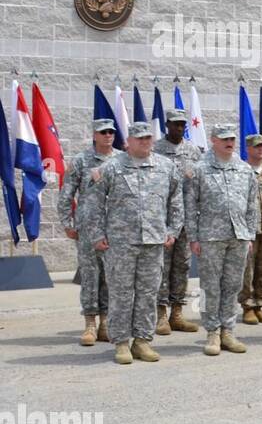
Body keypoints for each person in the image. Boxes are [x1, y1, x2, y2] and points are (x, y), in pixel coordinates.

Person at [88, 121, 183, 365]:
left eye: (148, 137)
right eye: (139, 138)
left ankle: (142, 341)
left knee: (148, 293)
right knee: (120, 293)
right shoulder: (111, 167)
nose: (144, 142)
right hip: (120, 243)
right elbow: (94, 203)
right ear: (128, 142)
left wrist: (173, 230)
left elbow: (176, 201)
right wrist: (98, 235)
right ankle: (121, 342)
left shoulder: (166, 166)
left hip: (153, 241)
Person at [184, 122, 260, 356]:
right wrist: (193, 237)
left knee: (232, 285)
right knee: (209, 287)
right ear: (213, 141)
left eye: (232, 139)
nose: (229, 143)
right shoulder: (199, 169)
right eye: (224, 138)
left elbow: (251, 204)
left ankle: (228, 330)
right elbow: (190, 205)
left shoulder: (244, 169)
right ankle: (212, 332)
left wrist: (249, 234)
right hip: (210, 236)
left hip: (238, 236)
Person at [59, 118, 119, 346]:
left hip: (115, 228)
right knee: (90, 276)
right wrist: (67, 223)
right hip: (87, 228)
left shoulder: (120, 160)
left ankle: (105, 323)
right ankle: (90, 324)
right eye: (103, 132)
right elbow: (67, 194)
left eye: (111, 132)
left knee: (110, 277)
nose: (108, 136)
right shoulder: (81, 160)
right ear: (94, 135)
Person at [153, 108, 201, 335]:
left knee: (182, 265)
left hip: (187, 216)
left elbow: (199, 181)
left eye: (182, 124)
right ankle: (161, 314)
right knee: (163, 266)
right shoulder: (155, 149)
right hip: (163, 216)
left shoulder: (193, 150)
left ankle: (177, 313)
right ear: (167, 125)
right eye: (175, 124)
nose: (179, 128)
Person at [239, 134, 262, 325]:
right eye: (256, 146)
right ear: (248, 149)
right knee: (248, 270)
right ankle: (247, 306)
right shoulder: (241, 171)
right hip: (248, 229)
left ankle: (260, 304)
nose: (261, 149)